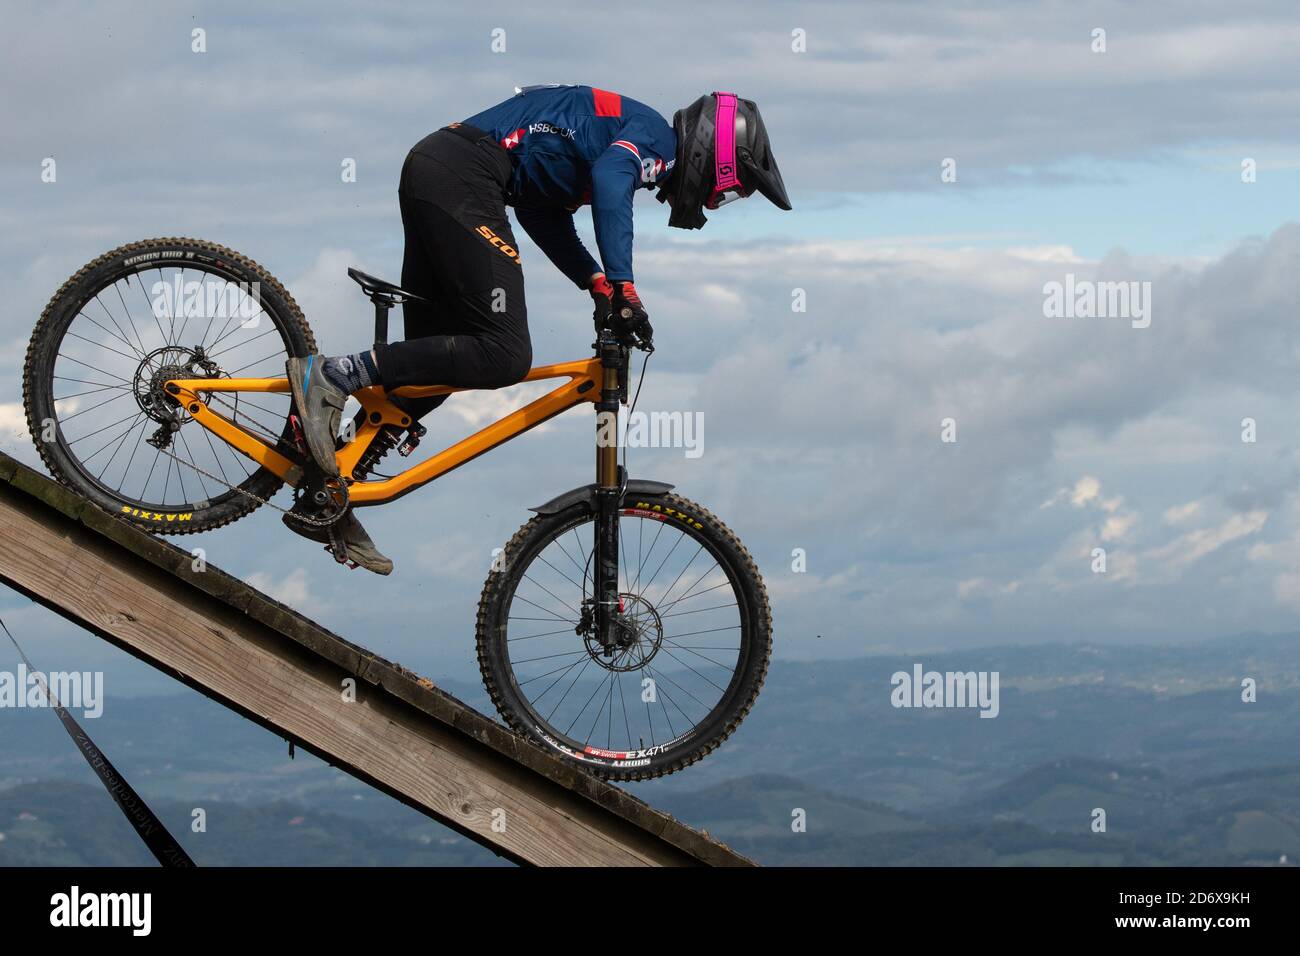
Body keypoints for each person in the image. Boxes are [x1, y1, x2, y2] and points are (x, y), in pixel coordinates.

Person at [286, 85, 792, 574]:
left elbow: (537, 210)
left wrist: (596, 283)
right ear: (713, 156)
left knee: (430, 375)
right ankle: (336, 375)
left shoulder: (617, 137)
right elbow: (616, 177)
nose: (711, 205)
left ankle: (325, 488)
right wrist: (624, 284)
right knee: (504, 353)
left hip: (439, 169)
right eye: (725, 194)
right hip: (463, 176)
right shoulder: (656, 140)